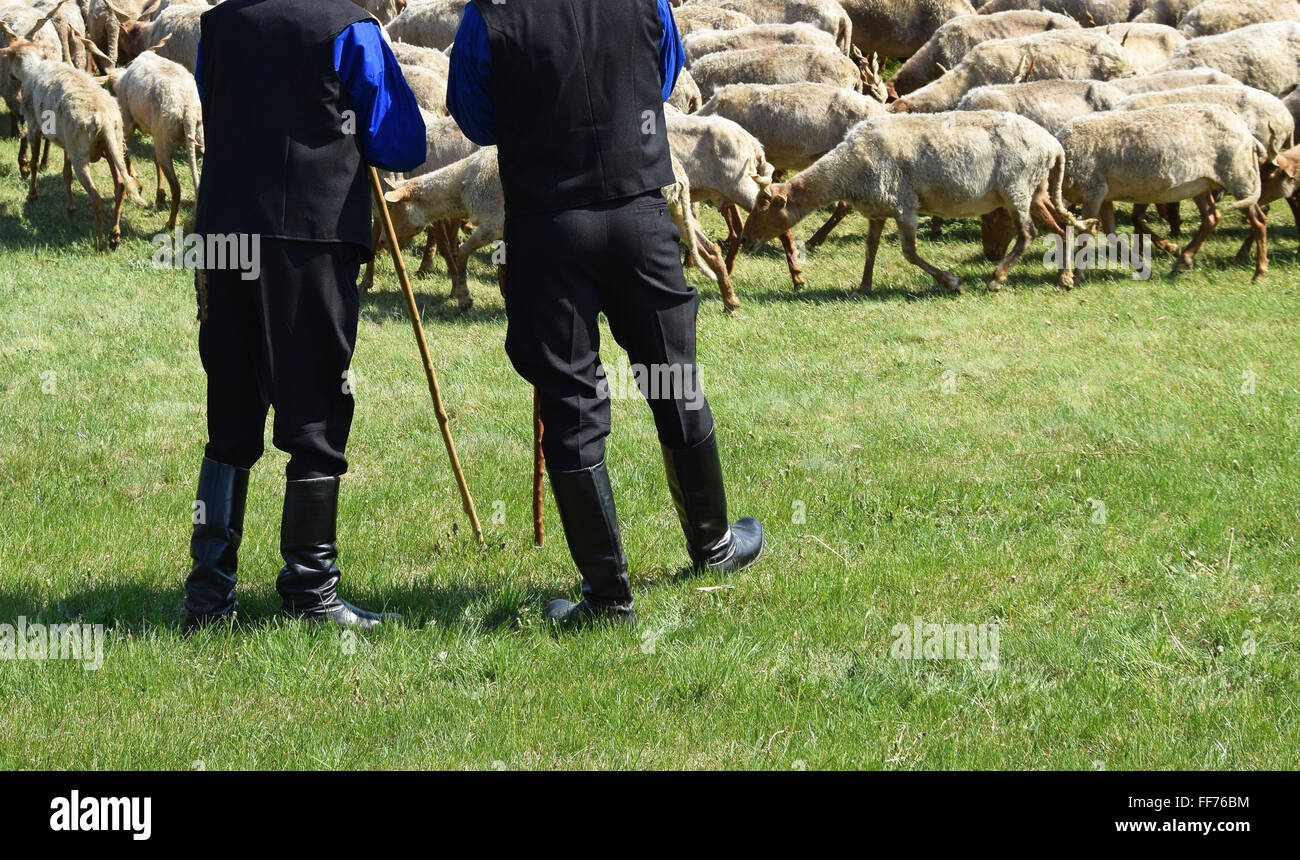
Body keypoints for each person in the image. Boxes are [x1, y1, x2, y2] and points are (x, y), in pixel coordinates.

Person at [446, 0, 765, 626]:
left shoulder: (490, 15)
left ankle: (609, 596)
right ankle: (714, 545)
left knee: (573, 402)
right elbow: (664, 73)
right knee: (672, 376)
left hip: (548, 225)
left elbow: (476, 116)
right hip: (638, 212)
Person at [183, 0, 426, 632]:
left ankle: (209, 595)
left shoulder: (220, 22)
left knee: (231, 404)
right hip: (308, 235)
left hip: (226, 231)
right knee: (315, 402)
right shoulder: (348, 26)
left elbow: (222, 107)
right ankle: (310, 590)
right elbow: (398, 137)